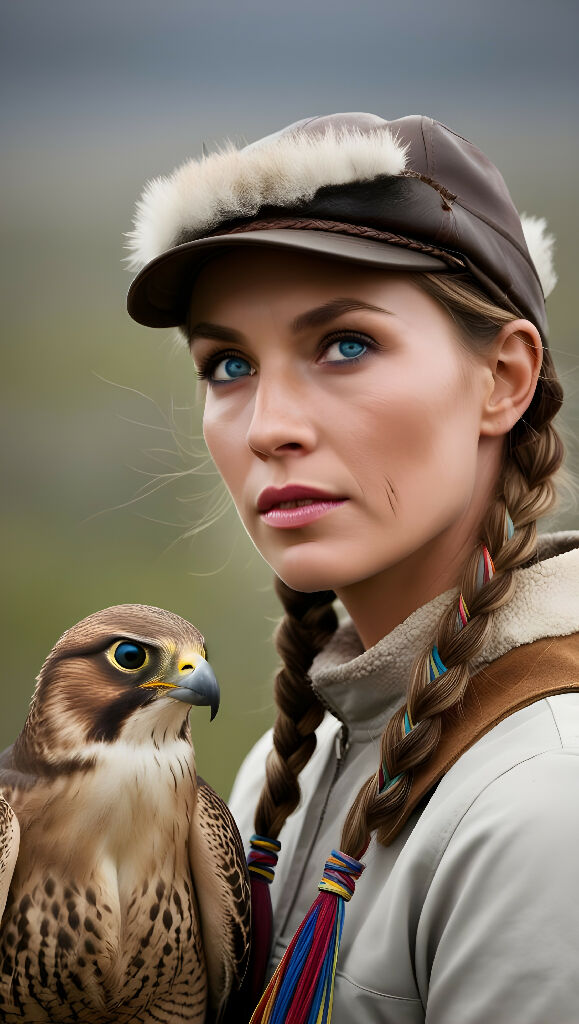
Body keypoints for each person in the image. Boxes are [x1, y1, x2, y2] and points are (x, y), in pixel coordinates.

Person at [127, 113, 579, 1024]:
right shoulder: (285, 768)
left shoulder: (545, 801)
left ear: (503, 378)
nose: (267, 427)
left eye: (345, 345)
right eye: (228, 364)